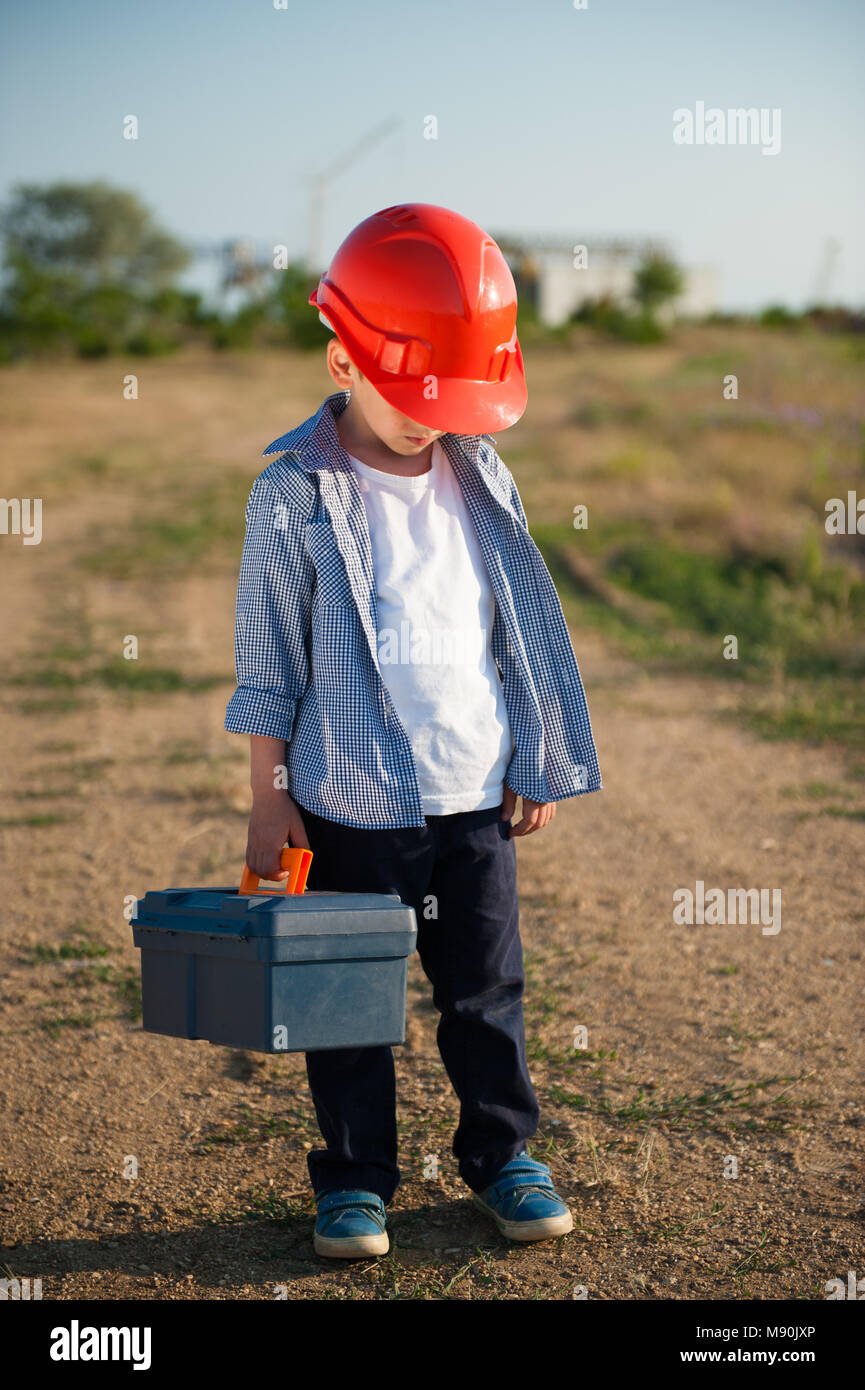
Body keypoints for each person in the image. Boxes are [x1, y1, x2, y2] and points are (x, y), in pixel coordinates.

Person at [225, 203, 602, 1259]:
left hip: (473, 796)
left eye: (453, 396)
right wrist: (270, 799)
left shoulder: (480, 473)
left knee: (484, 993)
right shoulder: (292, 493)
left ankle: (501, 1153)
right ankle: (353, 1180)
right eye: (410, 393)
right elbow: (268, 671)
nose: (429, 418)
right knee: (345, 998)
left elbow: (513, 629)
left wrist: (533, 747)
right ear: (343, 354)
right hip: (347, 803)